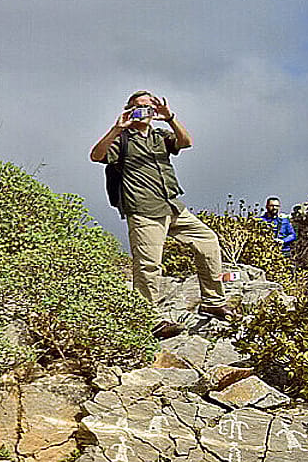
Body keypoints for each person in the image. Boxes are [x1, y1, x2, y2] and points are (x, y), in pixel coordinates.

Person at [89, 90, 230, 339]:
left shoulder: (160, 135)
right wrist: (116, 129)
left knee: (208, 241)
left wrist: (170, 117)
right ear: (129, 109)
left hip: (172, 205)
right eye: (138, 106)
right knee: (148, 266)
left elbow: (186, 142)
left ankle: (212, 301)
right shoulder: (122, 139)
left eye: (149, 106)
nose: (144, 110)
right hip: (143, 210)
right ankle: (149, 319)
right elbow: (96, 156)